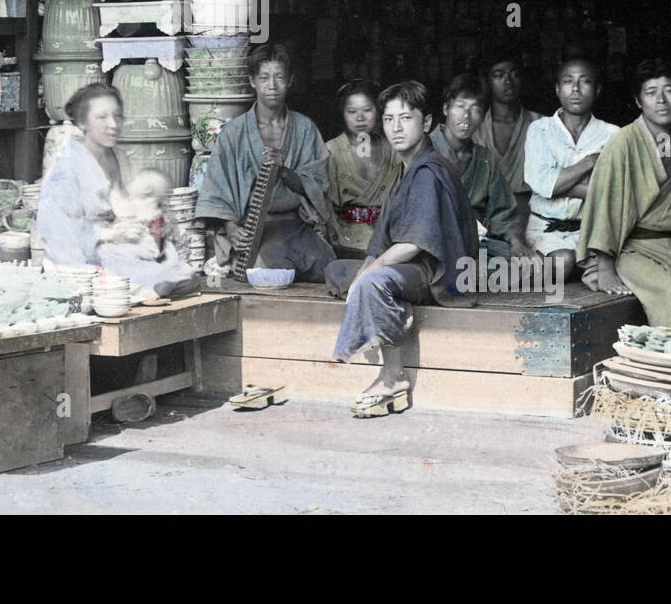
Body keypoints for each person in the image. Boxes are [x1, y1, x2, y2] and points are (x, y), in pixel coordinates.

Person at [327, 81, 479, 417]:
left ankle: (392, 377)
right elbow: (381, 239)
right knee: (337, 271)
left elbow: (412, 243)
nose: (396, 127)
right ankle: (396, 303)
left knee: (372, 282)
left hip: (441, 274)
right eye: (389, 119)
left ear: (425, 123)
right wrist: (368, 265)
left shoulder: (428, 169)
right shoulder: (405, 168)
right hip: (412, 272)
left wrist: (372, 271)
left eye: (406, 118)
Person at [36, 83, 198, 302]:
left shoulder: (118, 156)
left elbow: (133, 203)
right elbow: (57, 232)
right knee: (135, 270)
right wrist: (107, 235)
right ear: (83, 122)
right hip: (81, 253)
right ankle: (140, 286)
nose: (112, 124)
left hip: (118, 244)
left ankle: (149, 282)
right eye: (102, 118)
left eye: (117, 116)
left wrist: (152, 220)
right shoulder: (68, 165)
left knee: (170, 257)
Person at [577, 58, 671, 327]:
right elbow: (605, 205)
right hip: (633, 249)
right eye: (651, 93)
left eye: (669, 90)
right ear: (638, 101)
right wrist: (605, 268)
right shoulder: (624, 142)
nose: (661, 100)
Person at [194, 43, 336, 282]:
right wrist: (231, 228)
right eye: (264, 78)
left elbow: (319, 185)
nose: (272, 86)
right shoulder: (234, 133)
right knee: (267, 275)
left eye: (279, 77)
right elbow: (216, 190)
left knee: (327, 269)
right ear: (252, 81)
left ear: (290, 80)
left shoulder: (304, 128)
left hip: (296, 225)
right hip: (253, 229)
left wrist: (284, 172)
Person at [523, 58, 620, 282]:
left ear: (597, 90)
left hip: (590, 233)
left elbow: (614, 192)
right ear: (557, 89)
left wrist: (560, 184)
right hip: (545, 230)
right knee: (564, 260)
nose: (575, 89)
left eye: (584, 82)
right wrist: (589, 163)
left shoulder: (613, 135)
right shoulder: (540, 130)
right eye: (568, 81)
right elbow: (544, 184)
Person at [429, 74, 526, 259]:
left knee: (527, 265)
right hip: (434, 243)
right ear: (445, 108)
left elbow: (502, 212)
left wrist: (516, 241)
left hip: (474, 242)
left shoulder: (485, 159)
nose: (466, 116)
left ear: (483, 116)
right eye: (460, 106)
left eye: (475, 109)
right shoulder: (425, 149)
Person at [325, 79, 403, 260]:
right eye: (352, 112)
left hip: (389, 235)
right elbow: (324, 206)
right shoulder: (331, 151)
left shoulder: (393, 149)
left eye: (367, 110)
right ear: (343, 114)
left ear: (378, 111)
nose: (360, 118)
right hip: (346, 241)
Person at [474, 51, 542, 236]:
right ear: (487, 80)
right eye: (498, 75)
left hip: (533, 216)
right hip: (486, 219)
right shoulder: (475, 127)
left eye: (514, 73)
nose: (508, 81)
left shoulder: (541, 124)